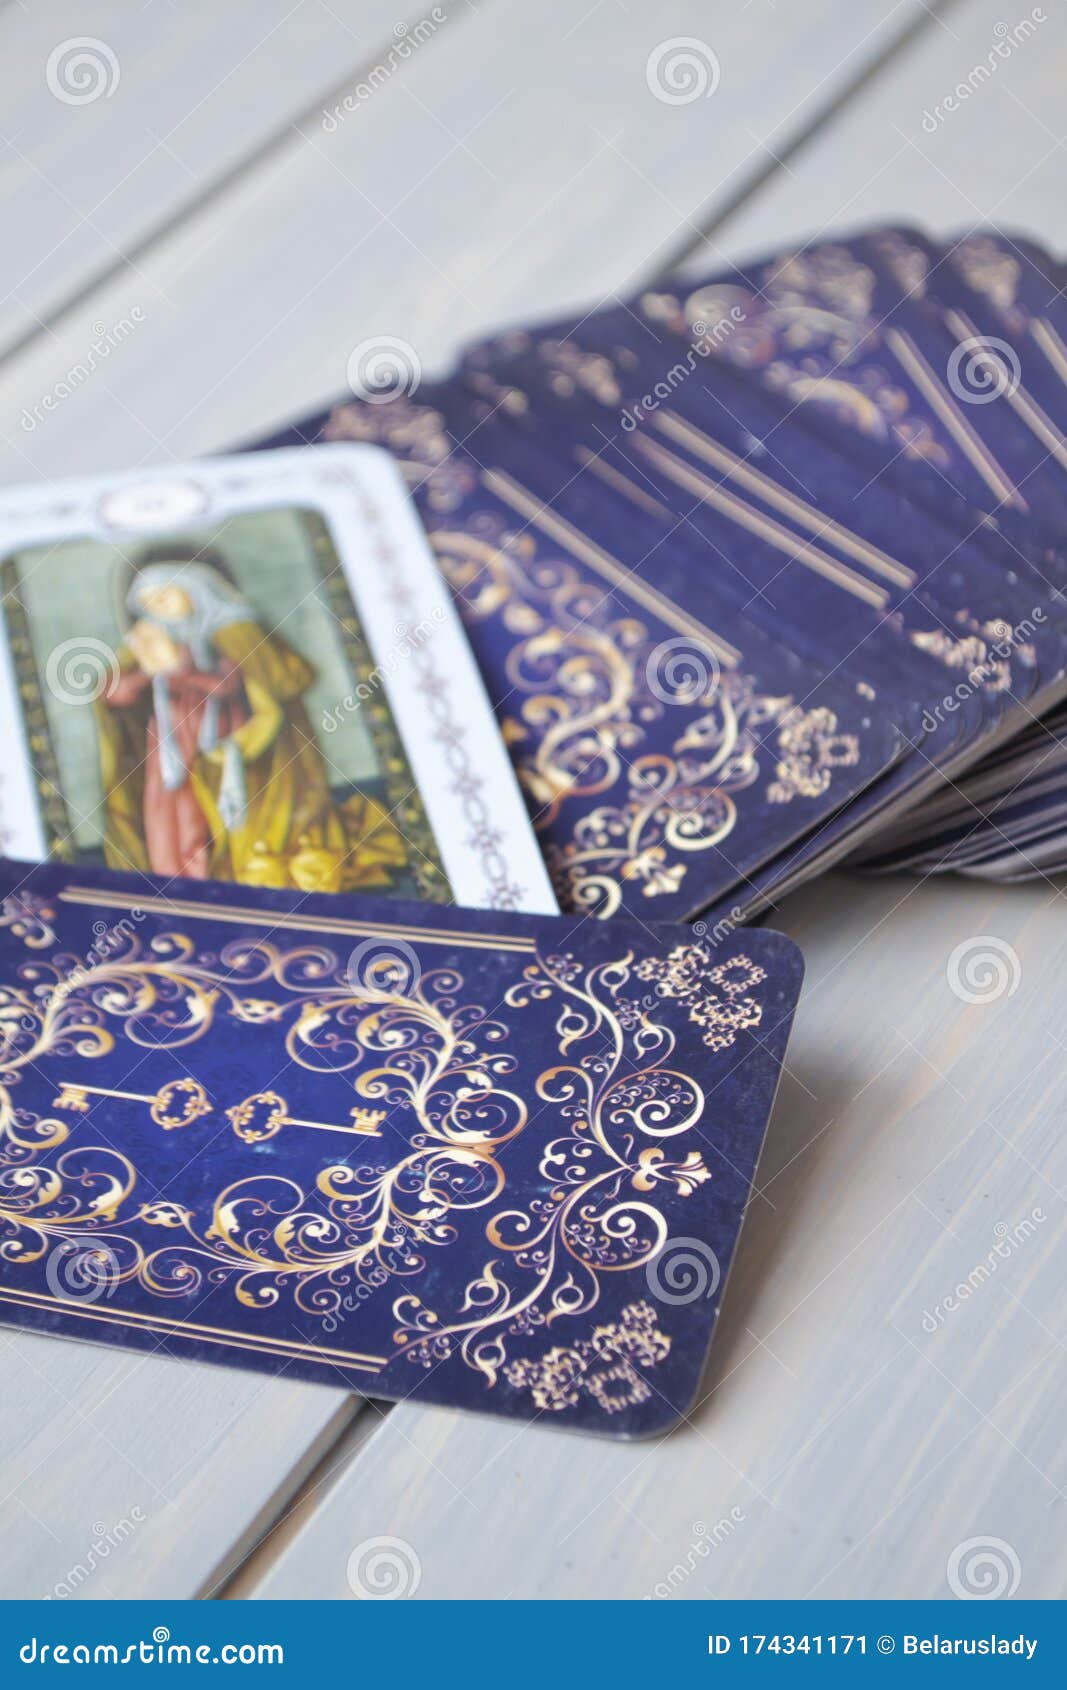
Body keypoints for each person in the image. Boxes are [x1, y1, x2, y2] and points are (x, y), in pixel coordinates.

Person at [93, 542, 407, 890]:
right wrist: (138, 676)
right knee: (171, 817)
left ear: (197, 589)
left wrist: (177, 668)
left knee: (222, 823)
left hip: (235, 740)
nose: (157, 608)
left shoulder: (234, 630)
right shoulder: (150, 637)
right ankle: (180, 885)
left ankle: (227, 877)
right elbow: (115, 695)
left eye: (166, 595)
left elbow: (246, 685)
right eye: (148, 603)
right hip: (170, 749)